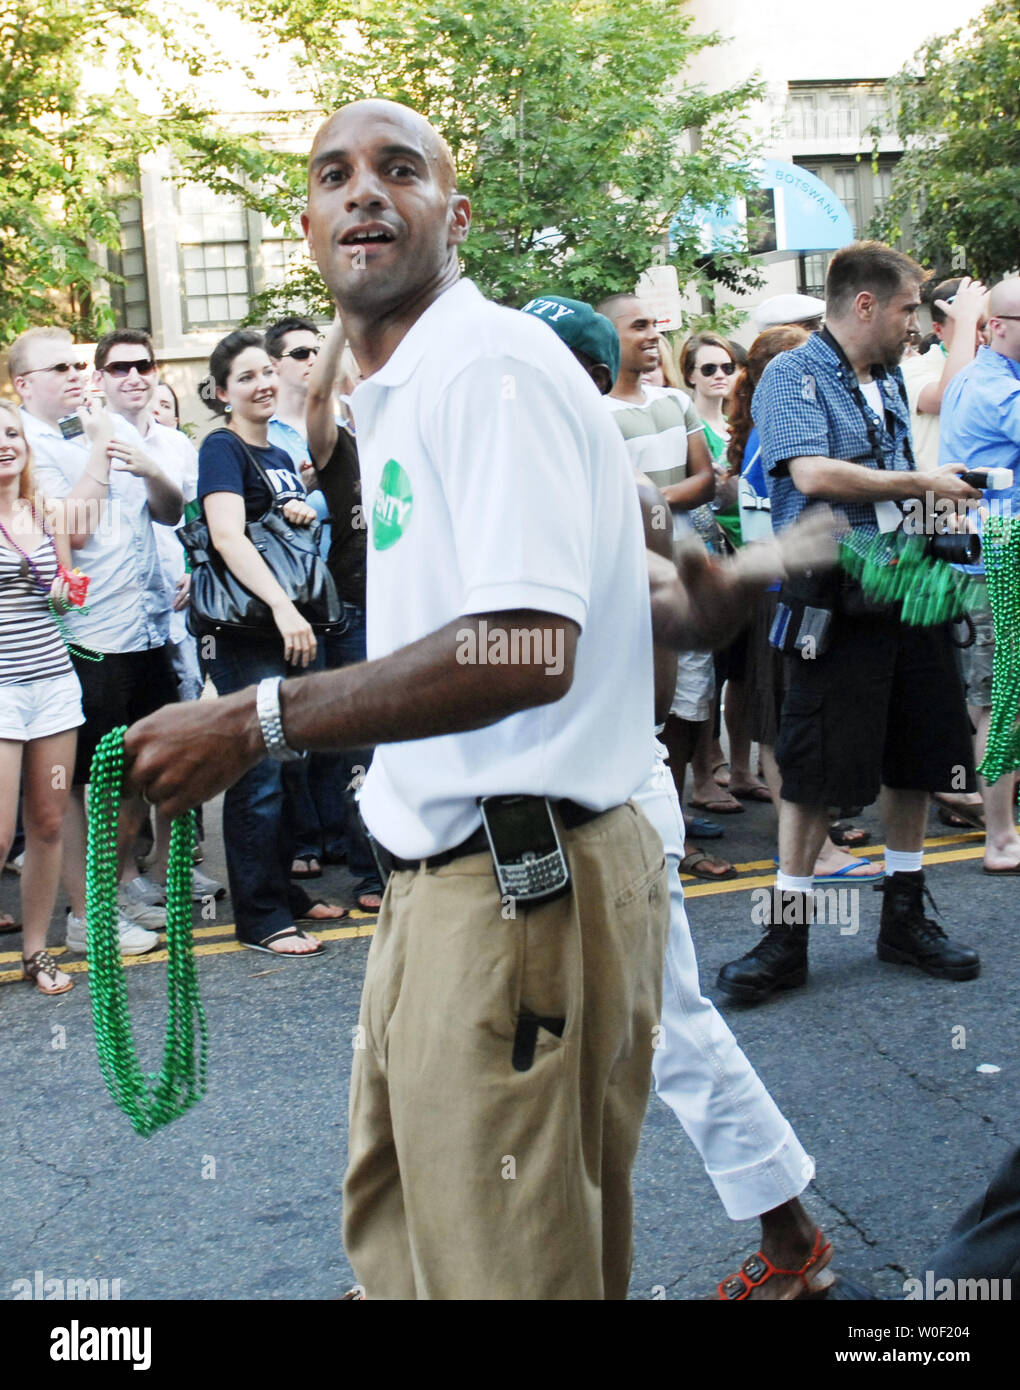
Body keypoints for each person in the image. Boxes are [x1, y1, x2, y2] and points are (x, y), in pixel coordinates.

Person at [126, 98, 676, 1301]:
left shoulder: (487, 366)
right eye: (335, 175)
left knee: (502, 1275)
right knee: (405, 1246)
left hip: (517, 888)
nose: (364, 191)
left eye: (399, 169)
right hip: (444, 883)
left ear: (455, 214)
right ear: (310, 227)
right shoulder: (404, 383)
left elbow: (529, 646)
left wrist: (254, 718)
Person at [521, 292, 838, 1300]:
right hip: (548, 804)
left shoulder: (578, 486)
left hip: (595, 800)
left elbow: (671, 618)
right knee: (496, 1033)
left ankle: (791, 1239)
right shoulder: (578, 476)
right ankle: (409, 1259)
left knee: (662, 1024)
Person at [716, 240, 982, 1004]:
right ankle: (786, 935)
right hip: (835, 594)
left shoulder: (889, 377)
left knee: (920, 752)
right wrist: (917, 479)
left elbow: (886, 485)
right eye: (906, 309)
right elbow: (813, 475)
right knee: (810, 769)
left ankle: (905, 916)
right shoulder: (795, 373)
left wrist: (936, 499)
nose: (915, 326)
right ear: (864, 304)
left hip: (910, 588)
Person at [12, 324, 184, 957]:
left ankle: (116, 888)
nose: (77, 375)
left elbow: (168, 512)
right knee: (84, 782)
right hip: (85, 636)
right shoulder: (24, 444)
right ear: (24, 384)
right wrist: (99, 453)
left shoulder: (110, 427)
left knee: (136, 769)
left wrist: (140, 460)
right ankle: (87, 917)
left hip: (145, 625)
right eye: (60, 368)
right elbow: (72, 534)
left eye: (80, 364)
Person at [192, 329, 346, 955]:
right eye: (246, 377)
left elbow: (274, 527)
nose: (261, 384)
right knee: (257, 774)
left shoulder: (280, 458)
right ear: (224, 392)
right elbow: (227, 536)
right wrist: (284, 608)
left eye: (266, 373)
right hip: (250, 632)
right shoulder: (221, 449)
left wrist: (298, 510)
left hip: (289, 629)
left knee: (289, 767)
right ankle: (260, 918)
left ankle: (286, 893)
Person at [727, 326, 882, 885]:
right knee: (783, 724)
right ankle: (809, 855)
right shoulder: (779, 448)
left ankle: (817, 843)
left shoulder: (762, 440)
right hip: (780, 593)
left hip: (782, 591)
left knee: (788, 719)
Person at [598, 293, 732, 879]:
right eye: (638, 327)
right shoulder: (593, 412)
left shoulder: (677, 402)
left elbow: (705, 479)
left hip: (685, 564)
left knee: (688, 699)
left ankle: (673, 822)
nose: (653, 336)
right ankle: (631, 826)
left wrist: (649, 499)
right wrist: (652, 506)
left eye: (654, 326)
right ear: (608, 337)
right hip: (626, 573)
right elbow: (603, 498)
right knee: (636, 696)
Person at [93, 330, 222, 908]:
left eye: (142, 365)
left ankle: (172, 867)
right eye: (118, 368)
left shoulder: (174, 443)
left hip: (172, 617)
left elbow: (178, 516)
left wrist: (199, 569)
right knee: (118, 763)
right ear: (100, 377)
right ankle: (123, 881)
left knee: (176, 751)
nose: (133, 377)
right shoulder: (85, 437)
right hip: (111, 625)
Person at [939, 278, 1020, 874]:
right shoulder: (995, 390)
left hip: (988, 554)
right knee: (1000, 700)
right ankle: (1000, 836)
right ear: (997, 327)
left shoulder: (979, 373)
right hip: (996, 558)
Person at [0, 403, 80, 994]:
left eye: (11, 432)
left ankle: (36, 951)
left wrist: (63, 592)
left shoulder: (44, 512)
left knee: (49, 823)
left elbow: (67, 598)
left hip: (53, 681)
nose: (6, 443)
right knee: (1, 836)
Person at [680, 331, 772, 812]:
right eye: (709, 369)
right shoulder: (687, 423)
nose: (721, 376)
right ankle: (704, 774)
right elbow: (695, 495)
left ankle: (740, 768)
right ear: (691, 375)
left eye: (728, 367)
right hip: (712, 561)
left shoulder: (741, 423)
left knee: (746, 673)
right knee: (706, 675)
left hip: (751, 559)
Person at [901, 275, 988, 474]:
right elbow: (949, 397)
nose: (979, 338)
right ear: (938, 330)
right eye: (966, 327)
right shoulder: (914, 369)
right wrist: (967, 318)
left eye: (983, 326)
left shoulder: (999, 369)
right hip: (934, 500)